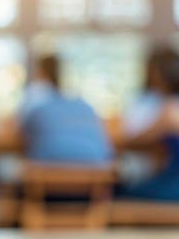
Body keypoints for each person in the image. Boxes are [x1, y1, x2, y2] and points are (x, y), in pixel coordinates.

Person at [19, 55, 112, 165]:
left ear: (40, 72)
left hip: (48, 162)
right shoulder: (83, 105)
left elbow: (23, 131)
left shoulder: (37, 100)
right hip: (97, 161)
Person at [124, 50, 179, 200]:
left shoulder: (170, 109)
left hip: (172, 186)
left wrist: (112, 143)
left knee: (120, 194)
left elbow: (136, 140)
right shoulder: (162, 104)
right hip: (168, 179)